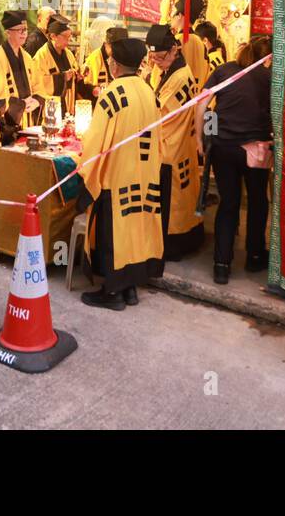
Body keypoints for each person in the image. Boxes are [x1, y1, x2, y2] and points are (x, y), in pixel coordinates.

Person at [76, 36, 164, 310]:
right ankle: (130, 289)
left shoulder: (112, 94)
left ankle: (112, 292)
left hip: (116, 175)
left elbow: (95, 140)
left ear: (115, 64)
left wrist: (84, 168)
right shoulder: (148, 90)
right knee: (136, 229)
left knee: (113, 234)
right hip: (144, 172)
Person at [198, 35, 272, 284]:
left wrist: (203, 137)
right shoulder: (269, 77)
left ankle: (221, 265)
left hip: (223, 148)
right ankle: (254, 256)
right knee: (258, 201)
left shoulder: (224, 70)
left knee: (228, 203)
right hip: (256, 148)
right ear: (268, 58)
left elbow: (202, 104)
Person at [146, 24, 205, 260]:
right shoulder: (172, 70)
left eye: (161, 57)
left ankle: (172, 244)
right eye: (153, 58)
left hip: (172, 144)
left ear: (175, 50)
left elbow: (158, 111)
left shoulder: (180, 77)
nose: (157, 63)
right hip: (177, 142)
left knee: (174, 199)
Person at [0, 10, 43, 140]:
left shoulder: (27, 57)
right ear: (8, 32)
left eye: (26, 30)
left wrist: (36, 100)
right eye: (20, 30)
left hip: (29, 120)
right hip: (8, 123)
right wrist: (21, 105)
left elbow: (38, 84)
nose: (24, 34)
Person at [33, 17, 94, 115]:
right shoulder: (41, 56)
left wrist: (78, 75)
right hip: (51, 110)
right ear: (53, 36)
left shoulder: (69, 54)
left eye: (70, 36)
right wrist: (62, 77)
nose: (69, 40)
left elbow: (75, 75)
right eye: (65, 36)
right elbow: (37, 84)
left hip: (69, 105)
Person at [166, 0, 211, 91]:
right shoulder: (200, 42)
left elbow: (160, 77)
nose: (171, 18)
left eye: (173, 13)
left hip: (177, 99)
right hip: (195, 98)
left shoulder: (175, 41)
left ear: (180, 15)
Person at [84, 25, 128, 94]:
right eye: (114, 48)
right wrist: (95, 89)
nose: (117, 52)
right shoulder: (95, 58)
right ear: (106, 44)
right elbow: (85, 84)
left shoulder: (120, 58)